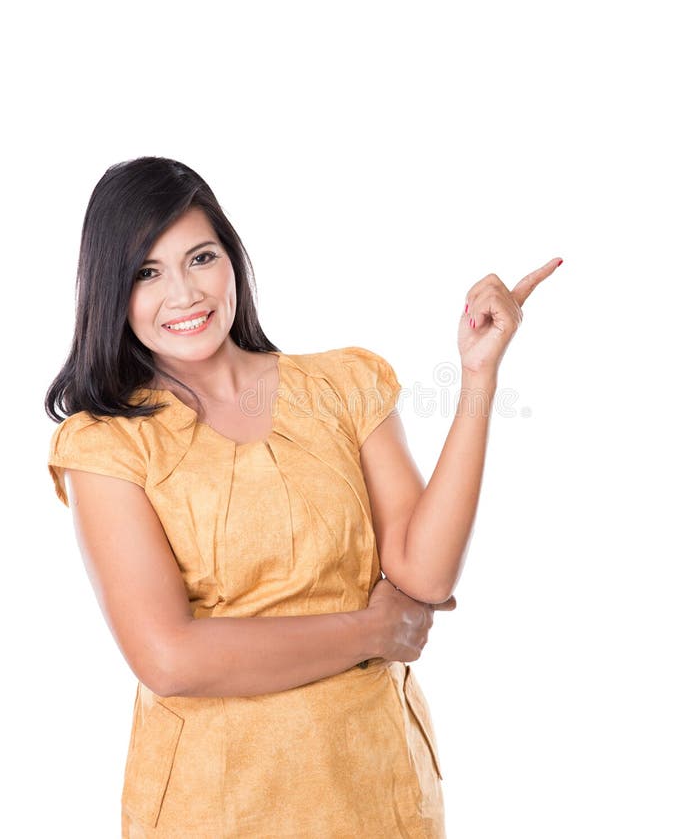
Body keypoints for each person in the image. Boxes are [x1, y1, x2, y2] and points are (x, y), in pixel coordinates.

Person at [45, 155, 561, 837]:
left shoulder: (343, 384)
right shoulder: (105, 443)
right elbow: (168, 658)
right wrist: (371, 631)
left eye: (200, 257)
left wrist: (475, 377)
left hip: (377, 786)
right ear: (110, 289)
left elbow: (423, 572)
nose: (183, 294)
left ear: (232, 259)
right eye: (147, 272)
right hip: (215, 806)